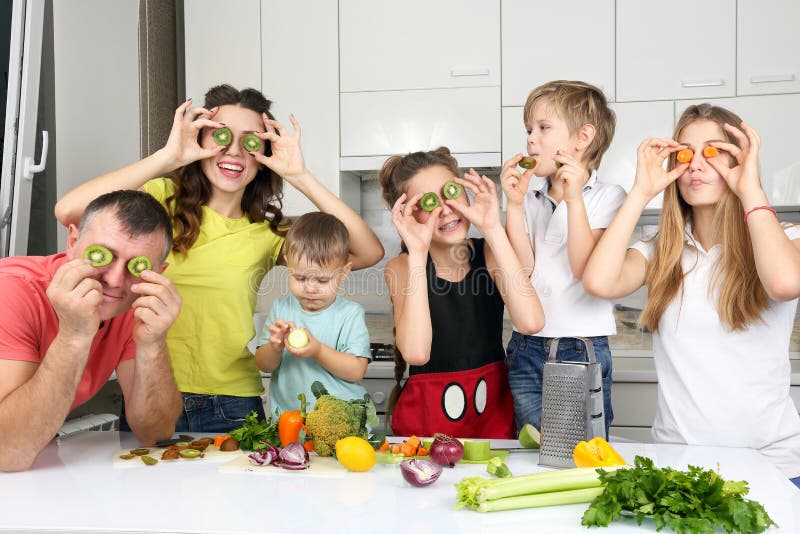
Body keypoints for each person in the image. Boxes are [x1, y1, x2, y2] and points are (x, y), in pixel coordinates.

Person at [54, 84, 384, 433]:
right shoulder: (159, 202)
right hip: (148, 391)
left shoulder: (267, 232)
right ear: (201, 139)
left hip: (234, 402)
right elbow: (69, 209)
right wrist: (169, 157)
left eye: (251, 141)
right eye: (222, 136)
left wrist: (299, 176)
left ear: (264, 154)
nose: (236, 152)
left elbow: (367, 252)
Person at [582, 103, 800, 487]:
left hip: (772, 466)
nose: (696, 165)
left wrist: (750, 189)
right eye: (684, 154)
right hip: (680, 463)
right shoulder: (660, 250)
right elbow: (599, 282)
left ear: (740, 158)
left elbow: (784, 283)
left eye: (713, 152)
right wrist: (640, 192)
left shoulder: (784, 237)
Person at [0, 190, 182, 472]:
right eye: (103, 256)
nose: (114, 280)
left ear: (158, 272)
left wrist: (153, 342)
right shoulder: (12, 291)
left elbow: (154, 433)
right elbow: (7, 452)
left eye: (137, 265)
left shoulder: (133, 303)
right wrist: (74, 334)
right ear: (72, 241)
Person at [380, 147, 544, 439]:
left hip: (491, 412)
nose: (445, 209)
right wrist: (418, 253)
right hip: (427, 420)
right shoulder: (402, 266)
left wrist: (492, 226)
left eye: (451, 192)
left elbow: (531, 322)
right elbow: (416, 353)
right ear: (406, 215)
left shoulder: (491, 251)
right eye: (428, 203)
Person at [499, 80, 625, 435]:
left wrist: (574, 200)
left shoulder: (609, 197)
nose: (530, 139)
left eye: (543, 128)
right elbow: (522, 270)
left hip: (579, 348)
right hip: (525, 345)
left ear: (582, 138)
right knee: (530, 447)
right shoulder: (531, 195)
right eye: (528, 129)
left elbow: (585, 268)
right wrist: (514, 204)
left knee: (578, 454)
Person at [254, 212, 373, 417]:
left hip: (340, 422)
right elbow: (264, 365)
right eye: (300, 278)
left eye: (322, 281)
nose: (310, 288)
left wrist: (317, 350)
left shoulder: (349, 314)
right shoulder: (281, 309)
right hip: (288, 425)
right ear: (288, 264)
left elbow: (356, 371)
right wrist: (274, 346)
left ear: (343, 274)